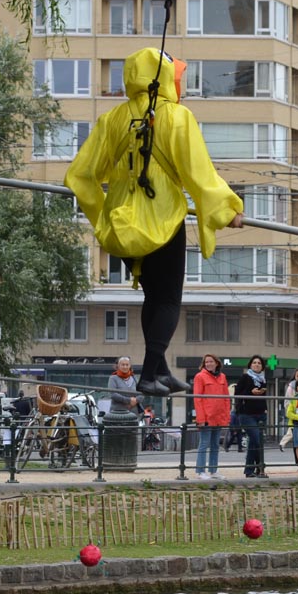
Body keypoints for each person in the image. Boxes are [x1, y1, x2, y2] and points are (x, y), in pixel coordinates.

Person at [65, 47, 244, 398]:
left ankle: (159, 370)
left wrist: (104, 218)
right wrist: (227, 211)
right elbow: (200, 175)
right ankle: (148, 374)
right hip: (162, 223)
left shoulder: (112, 119)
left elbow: (79, 176)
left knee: (152, 296)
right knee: (168, 301)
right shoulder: (178, 117)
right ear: (162, 79)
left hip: (122, 230)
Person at [192, 353, 229, 480]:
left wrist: (226, 417)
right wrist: (200, 419)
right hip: (207, 417)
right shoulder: (200, 376)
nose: (208, 364)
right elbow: (197, 399)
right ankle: (200, 471)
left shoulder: (222, 377)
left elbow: (226, 398)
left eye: (211, 361)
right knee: (204, 444)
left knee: (215, 445)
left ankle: (213, 470)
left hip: (218, 417)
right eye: (206, 362)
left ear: (216, 363)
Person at [233, 355, 268, 478]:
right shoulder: (245, 377)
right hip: (246, 414)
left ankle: (253, 469)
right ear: (250, 365)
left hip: (260, 413)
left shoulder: (263, 379)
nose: (257, 364)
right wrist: (250, 392)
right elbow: (237, 393)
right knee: (256, 440)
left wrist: (266, 409)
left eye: (259, 363)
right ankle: (257, 466)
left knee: (255, 442)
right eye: (254, 362)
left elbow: (264, 396)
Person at [279, 368, 298, 451]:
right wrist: (290, 411)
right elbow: (289, 400)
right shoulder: (291, 387)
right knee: (294, 429)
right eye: (297, 376)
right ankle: (283, 443)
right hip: (295, 411)